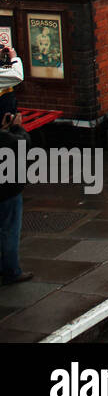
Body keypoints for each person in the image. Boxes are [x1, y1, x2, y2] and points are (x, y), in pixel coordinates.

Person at [0, 42, 30, 285]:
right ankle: (11, 271)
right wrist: (13, 57)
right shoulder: (8, 138)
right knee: (10, 225)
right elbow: (16, 76)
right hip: (7, 183)